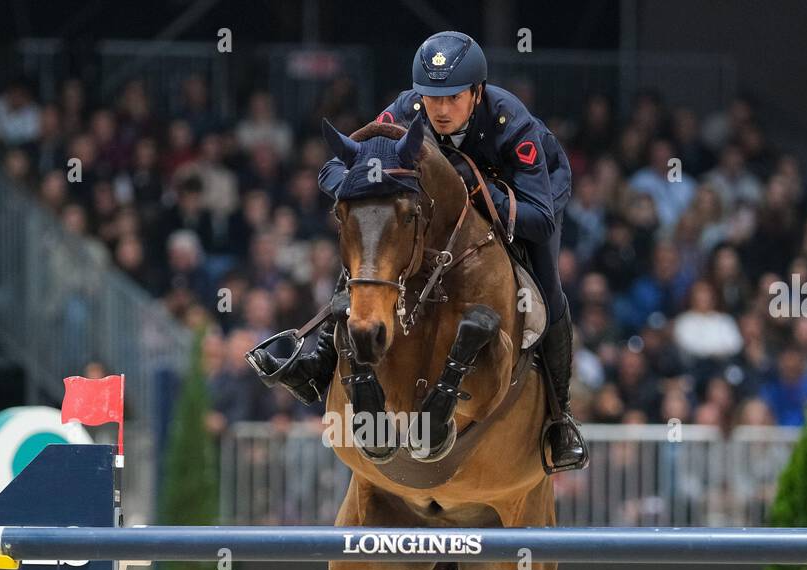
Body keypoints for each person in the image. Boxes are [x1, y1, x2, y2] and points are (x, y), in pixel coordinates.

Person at [248, 30, 588, 472]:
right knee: (375, 237)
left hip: (528, 196)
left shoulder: (510, 122)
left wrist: (468, 187)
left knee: (550, 289)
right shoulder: (407, 110)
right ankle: (318, 362)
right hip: (439, 207)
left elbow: (540, 219)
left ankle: (560, 420)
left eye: (452, 98)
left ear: (476, 92)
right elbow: (337, 166)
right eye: (432, 98)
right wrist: (359, 188)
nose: (440, 110)